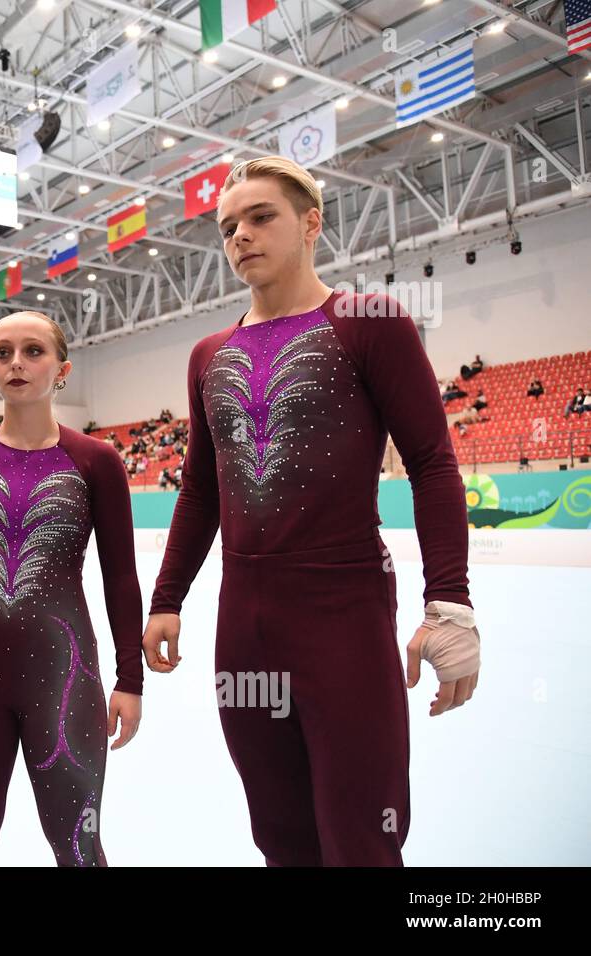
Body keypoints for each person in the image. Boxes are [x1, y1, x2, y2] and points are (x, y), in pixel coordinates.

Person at [144, 157, 478, 867]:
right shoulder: (209, 354)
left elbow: (432, 462)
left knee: (363, 838)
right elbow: (200, 489)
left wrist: (450, 601)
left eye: (260, 217)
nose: (240, 235)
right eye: (228, 226)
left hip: (343, 620)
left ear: (311, 222)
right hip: (244, 628)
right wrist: (167, 597)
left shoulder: (368, 323)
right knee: (280, 837)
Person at [0, 310, 143, 867]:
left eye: (33, 351)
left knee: (78, 846)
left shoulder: (96, 461)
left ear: (62, 369)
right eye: (3, 352)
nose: (17, 363)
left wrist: (129, 678)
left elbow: (121, 576)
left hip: (64, 679)